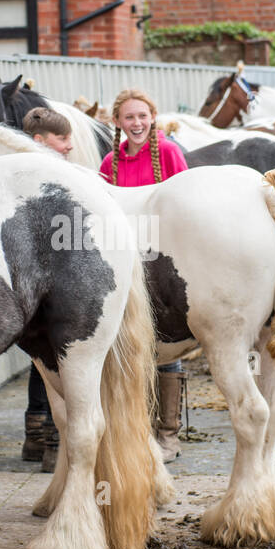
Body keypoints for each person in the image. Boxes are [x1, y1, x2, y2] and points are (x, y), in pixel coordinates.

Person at [100, 89, 189, 461]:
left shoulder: (168, 153)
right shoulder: (109, 163)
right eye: (129, 117)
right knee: (128, 346)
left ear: (153, 118)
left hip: (163, 261)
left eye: (142, 116)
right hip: (125, 261)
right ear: (118, 122)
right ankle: (137, 431)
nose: (136, 123)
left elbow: (187, 203)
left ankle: (168, 433)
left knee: (166, 344)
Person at [19, 107, 75, 472]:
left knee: (46, 358)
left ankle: (40, 434)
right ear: (40, 142)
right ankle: (48, 437)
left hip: (51, 280)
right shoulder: (36, 178)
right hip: (49, 281)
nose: (70, 146)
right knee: (49, 359)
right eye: (63, 139)